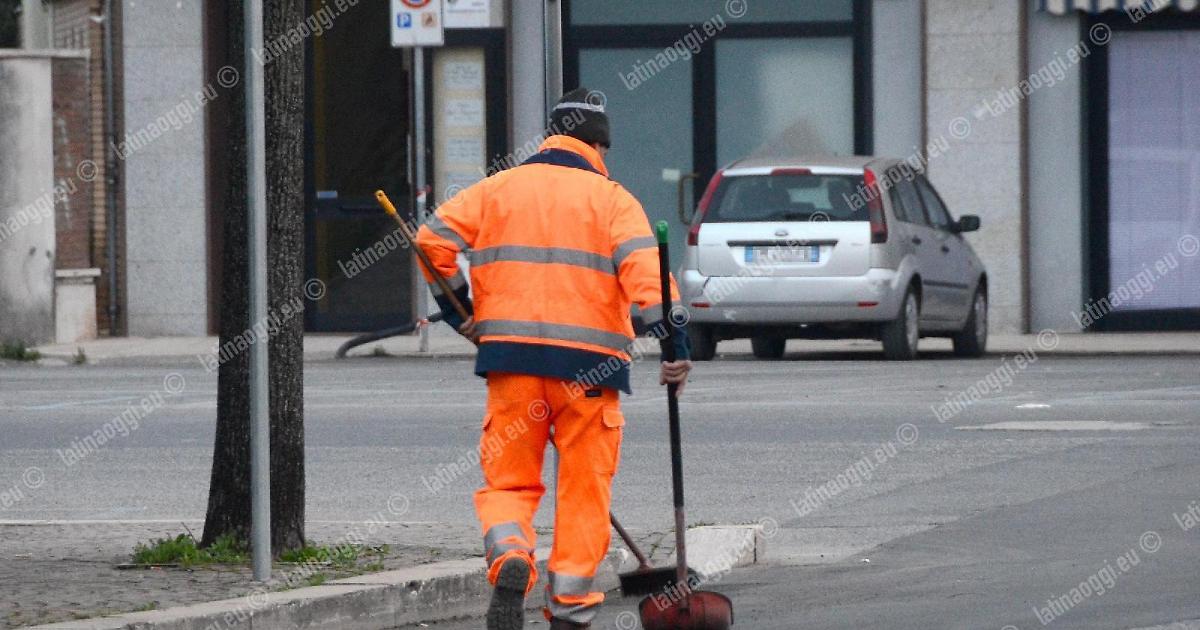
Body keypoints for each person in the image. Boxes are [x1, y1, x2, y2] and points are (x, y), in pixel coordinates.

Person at [414, 87, 692, 630]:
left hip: (512, 365)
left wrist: (460, 309)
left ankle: (512, 558)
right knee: (584, 493)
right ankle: (568, 611)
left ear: (551, 136)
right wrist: (675, 352)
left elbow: (430, 240)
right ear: (599, 147)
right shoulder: (613, 200)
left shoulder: (498, 189)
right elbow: (652, 289)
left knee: (509, 485)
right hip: (589, 375)